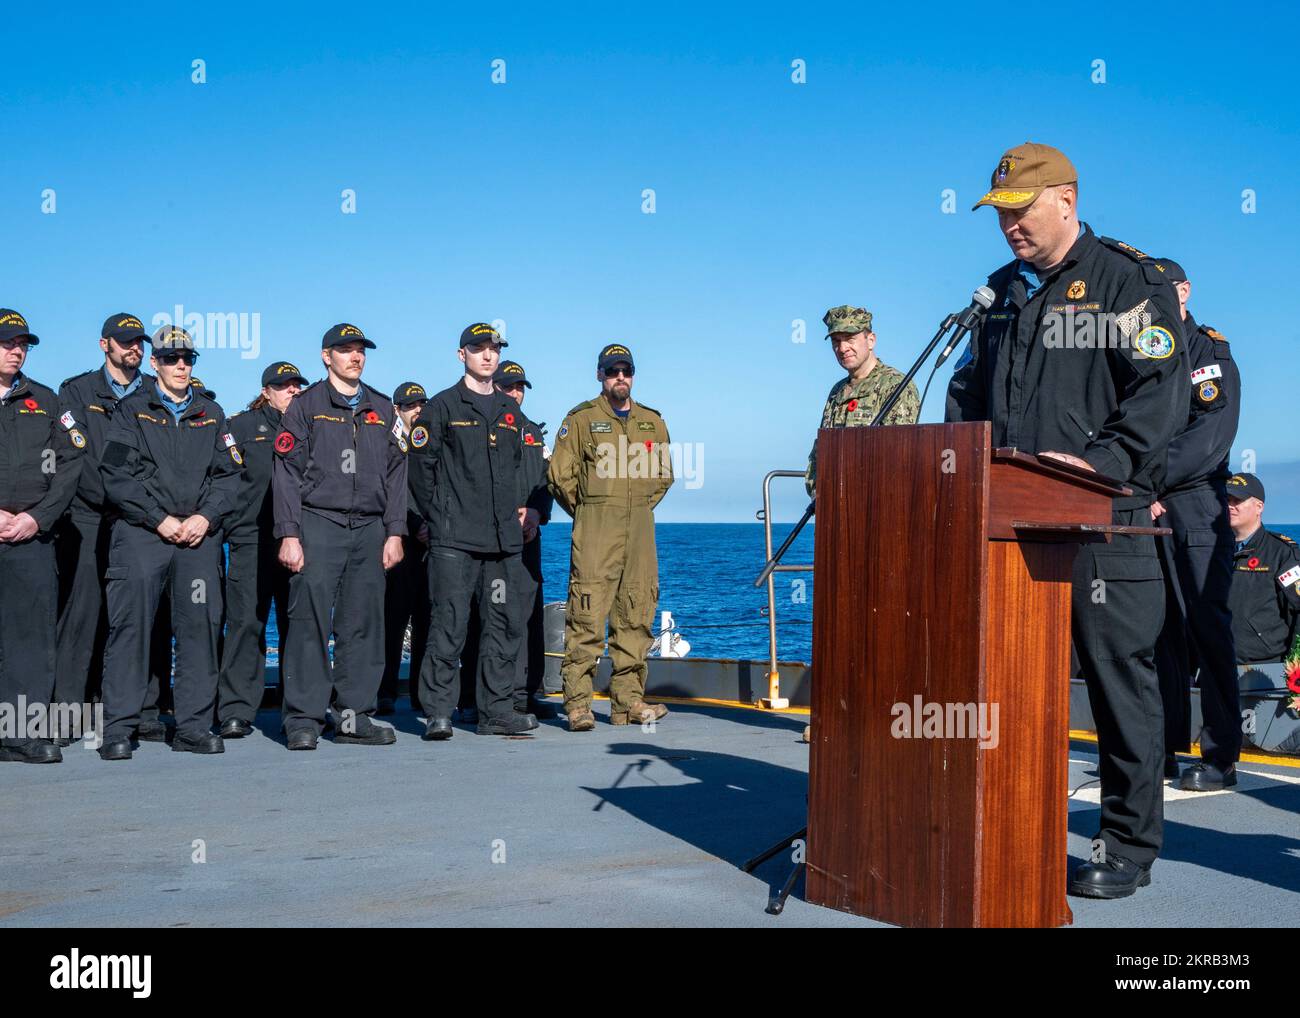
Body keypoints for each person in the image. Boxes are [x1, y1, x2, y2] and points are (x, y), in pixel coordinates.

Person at [946, 142, 1188, 898]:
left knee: (1120, 687)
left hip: (1103, 522)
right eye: (1000, 216)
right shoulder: (1001, 295)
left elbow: (1160, 388)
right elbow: (969, 393)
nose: (1010, 226)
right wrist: (960, 466)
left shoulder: (1128, 281)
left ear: (1066, 202)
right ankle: (1018, 820)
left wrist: (1104, 463)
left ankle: (1127, 844)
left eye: (1021, 211)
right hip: (1015, 523)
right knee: (1012, 684)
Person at [97, 325, 241, 760]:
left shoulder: (212, 414)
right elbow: (116, 475)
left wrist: (205, 517)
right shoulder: (131, 411)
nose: (181, 366)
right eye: (172, 359)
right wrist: (158, 519)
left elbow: (230, 477)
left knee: (199, 630)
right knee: (130, 631)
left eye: (188, 360)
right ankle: (118, 728)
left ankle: (194, 726)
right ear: (155, 362)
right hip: (143, 536)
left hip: (197, 540)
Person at [272, 323, 407, 751]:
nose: (355, 357)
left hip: (369, 528)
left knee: (363, 623)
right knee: (309, 621)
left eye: (360, 350)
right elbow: (287, 474)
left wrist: (395, 531)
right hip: (318, 523)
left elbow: (397, 474)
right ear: (325, 356)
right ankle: (304, 719)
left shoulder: (383, 410)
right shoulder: (305, 407)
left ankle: (353, 718)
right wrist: (289, 533)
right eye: (345, 350)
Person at [407, 324, 536, 739]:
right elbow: (419, 468)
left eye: (493, 349)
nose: (487, 356)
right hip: (454, 540)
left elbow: (519, 467)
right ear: (461, 354)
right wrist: (439, 515)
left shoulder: (511, 412)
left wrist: (519, 508)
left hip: (502, 543)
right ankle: (439, 711)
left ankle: (495, 712)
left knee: (503, 625)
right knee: (449, 624)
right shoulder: (443, 406)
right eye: (478, 349)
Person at [1146, 259, 1242, 791]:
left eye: (1161, 290)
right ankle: (1161, 750)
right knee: (1158, 629)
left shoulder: (1209, 350)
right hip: (1150, 504)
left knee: (1208, 628)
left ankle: (1222, 756)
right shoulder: (1145, 350)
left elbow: (1212, 436)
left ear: (1183, 290)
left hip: (1196, 504)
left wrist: (1153, 482)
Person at [55, 314, 173, 744]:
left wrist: (139, 504)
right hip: (89, 516)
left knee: (145, 618)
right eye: (125, 342)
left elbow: (164, 460)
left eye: (139, 342)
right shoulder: (78, 391)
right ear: (104, 344)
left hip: (139, 520)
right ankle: (70, 713)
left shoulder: (153, 392)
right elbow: (77, 459)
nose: (134, 349)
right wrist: (115, 495)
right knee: (82, 617)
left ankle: (143, 711)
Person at [548, 343, 673, 731]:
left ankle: (628, 702)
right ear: (600, 376)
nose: (620, 377)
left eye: (626, 371)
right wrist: (590, 510)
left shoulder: (652, 422)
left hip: (639, 531)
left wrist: (633, 507)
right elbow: (559, 476)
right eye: (612, 371)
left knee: (636, 615)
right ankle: (579, 704)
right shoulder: (582, 420)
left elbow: (663, 476)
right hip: (596, 531)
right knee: (586, 615)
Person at [0, 309, 84, 764]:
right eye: (7, 342)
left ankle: (18, 736)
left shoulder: (47, 402)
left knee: (30, 640)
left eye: (23, 344)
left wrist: (38, 517)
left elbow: (71, 465)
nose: (17, 350)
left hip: (31, 536)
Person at [458, 360, 556, 720]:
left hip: (526, 537)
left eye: (520, 387)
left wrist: (535, 513)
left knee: (526, 616)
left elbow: (547, 481)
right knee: (481, 616)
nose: (515, 392)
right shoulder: (479, 427)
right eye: (508, 386)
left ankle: (521, 694)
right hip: (485, 536)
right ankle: (471, 696)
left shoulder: (533, 432)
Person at [216, 361, 307, 738]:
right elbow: (225, 479)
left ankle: (299, 709)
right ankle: (237, 710)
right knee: (245, 625)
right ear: (266, 390)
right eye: (283, 385)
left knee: (300, 627)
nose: (292, 391)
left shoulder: (312, 427)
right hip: (252, 538)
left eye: (296, 385)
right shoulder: (240, 427)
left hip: (299, 541)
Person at [805, 305, 921, 499]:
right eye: (836, 341)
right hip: (834, 503)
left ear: (871, 340)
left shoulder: (895, 385)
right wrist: (817, 491)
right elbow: (820, 450)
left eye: (850, 339)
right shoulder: (837, 391)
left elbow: (899, 455)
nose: (842, 348)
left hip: (875, 503)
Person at [380, 381, 431, 716]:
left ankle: (421, 693)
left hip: (429, 544)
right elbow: (392, 492)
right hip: (400, 542)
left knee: (427, 621)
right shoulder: (390, 444)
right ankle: (385, 692)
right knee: (392, 622)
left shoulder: (429, 444)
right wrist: (413, 525)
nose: (418, 411)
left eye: (421, 405)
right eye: (411, 405)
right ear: (397, 409)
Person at [1226, 473, 1300, 665]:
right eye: (1227, 499)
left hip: (1266, 668)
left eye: (1238, 500)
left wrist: (1294, 666)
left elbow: (1297, 611)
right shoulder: (1213, 551)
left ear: (1259, 507)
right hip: (1218, 662)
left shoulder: (1281, 553)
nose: (1230, 506)